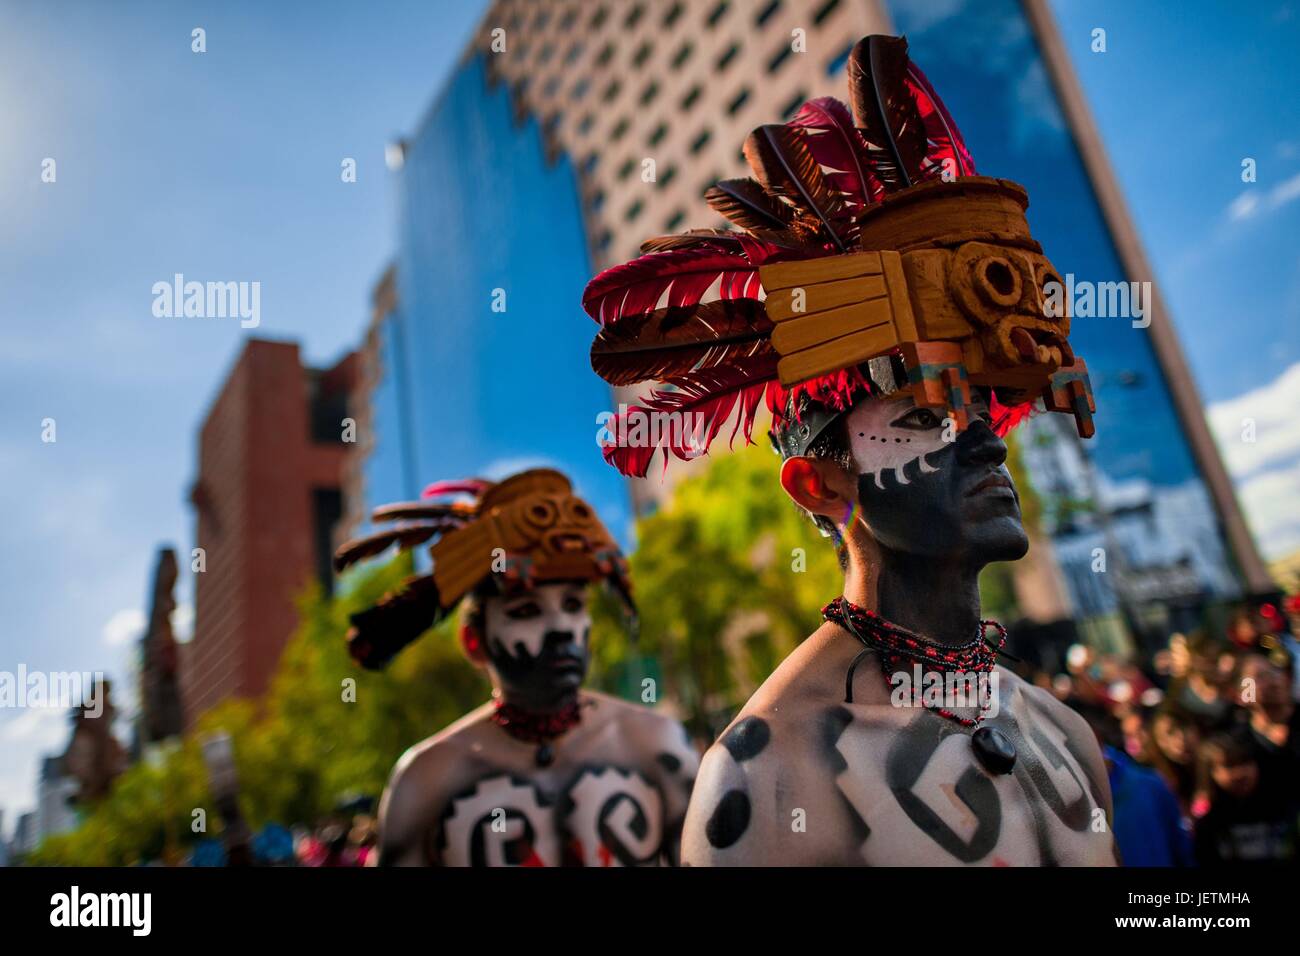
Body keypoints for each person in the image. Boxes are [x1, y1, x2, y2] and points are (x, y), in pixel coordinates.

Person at [579, 35, 1113, 865]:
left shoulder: (1068, 737)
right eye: (925, 413)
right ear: (820, 484)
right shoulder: (768, 779)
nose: (980, 440)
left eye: (982, 407)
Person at [334, 468, 698, 866]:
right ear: (475, 642)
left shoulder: (657, 744)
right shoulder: (426, 779)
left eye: (574, 605)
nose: (561, 628)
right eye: (526, 610)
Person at [1193, 732, 1299, 866]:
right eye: (1229, 765)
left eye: (1245, 762)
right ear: (1211, 772)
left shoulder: (1281, 802)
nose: (1240, 773)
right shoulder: (1207, 816)